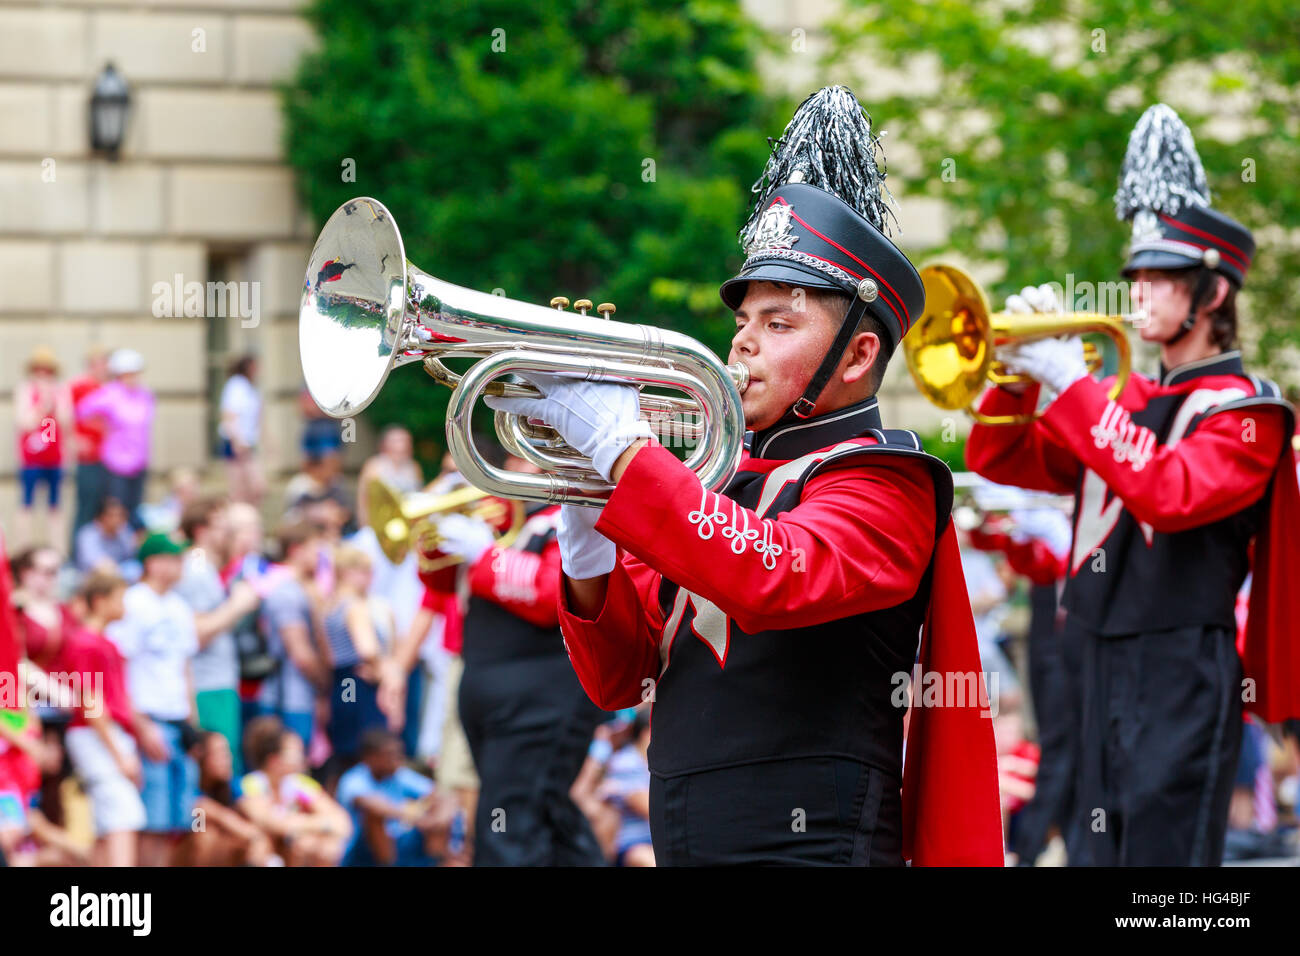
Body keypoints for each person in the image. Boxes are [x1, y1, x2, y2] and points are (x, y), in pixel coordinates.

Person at [490, 87, 1002, 865]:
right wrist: (587, 521)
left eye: (779, 323)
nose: (742, 349)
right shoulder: (716, 481)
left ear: (858, 356)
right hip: (686, 831)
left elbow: (773, 574)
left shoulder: (887, 480)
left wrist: (625, 452)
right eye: (742, 322)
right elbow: (617, 679)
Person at [964, 104, 1300, 866]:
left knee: (1165, 870)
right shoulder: (1119, 403)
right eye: (1136, 276)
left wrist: (1070, 384)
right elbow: (999, 459)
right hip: (1092, 654)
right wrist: (1023, 377)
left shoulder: (1251, 413)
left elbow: (1168, 491)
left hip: (1182, 661)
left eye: (1159, 278)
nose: (1137, 292)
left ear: (1213, 295)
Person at [104, 531, 200, 866]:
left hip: (178, 721)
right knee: (152, 820)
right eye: (173, 558)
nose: (180, 565)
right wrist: (141, 726)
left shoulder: (180, 606)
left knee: (181, 821)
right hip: (149, 720)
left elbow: (185, 668)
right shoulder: (133, 603)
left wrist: (194, 726)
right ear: (153, 562)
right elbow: (120, 670)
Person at [58, 567, 147, 866]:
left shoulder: (103, 642)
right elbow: (90, 699)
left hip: (104, 733)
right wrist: (118, 752)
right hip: (95, 733)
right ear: (99, 600)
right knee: (122, 814)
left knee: (108, 819)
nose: (124, 605)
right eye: (119, 597)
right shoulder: (85, 643)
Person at [174, 497, 261, 778]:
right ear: (202, 530)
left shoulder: (206, 569)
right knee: (214, 770)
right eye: (223, 527)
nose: (230, 535)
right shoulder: (195, 569)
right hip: (207, 685)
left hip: (218, 683)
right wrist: (237, 605)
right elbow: (195, 634)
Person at [254, 521, 329, 750]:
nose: (320, 558)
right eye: (316, 550)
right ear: (296, 550)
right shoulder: (287, 592)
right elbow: (301, 654)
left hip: (292, 695)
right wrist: (327, 685)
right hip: (289, 699)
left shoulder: (296, 588)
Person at [237, 715, 350, 866]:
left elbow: (342, 822)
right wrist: (317, 824)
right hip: (264, 852)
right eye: (295, 751)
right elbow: (269, 822)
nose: (303, 757)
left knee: (325, 846)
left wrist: (301, 826)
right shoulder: (252, 784)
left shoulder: (298, 784)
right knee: (267, 842)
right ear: (274, 760)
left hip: (292, 846)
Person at [336, 729, 458, 866]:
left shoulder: (399, 774)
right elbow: (373, 806)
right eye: (389, 755)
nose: (397, 759)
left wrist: (438, 819)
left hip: (402, 840)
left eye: (398, 753)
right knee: (373, 818)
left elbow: (442, 796)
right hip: (363, 849)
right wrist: (416, 816)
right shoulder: (354, 779)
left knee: (437, 809)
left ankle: (436, 862)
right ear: (370, 757)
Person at [323, 546, 395, 774]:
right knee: (367, 748)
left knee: (347, 749)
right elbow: (368, 649)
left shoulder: (329, 606)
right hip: (359, 684)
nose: (370, 578)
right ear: (346, 572)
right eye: (364, 571)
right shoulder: (355, 607)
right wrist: (381, 673)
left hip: (342, 683)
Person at [74, 348, 155, 531]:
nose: (132, 378)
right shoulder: (110, 393)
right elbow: (82, 411)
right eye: (127, 374)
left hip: (139, 463)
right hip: (116, 464)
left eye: (135, 374)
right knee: (116, 510)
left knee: (136, 509)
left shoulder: (145, 395)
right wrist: (100, 426)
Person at [183, 731, 274, 866]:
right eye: (219, 754)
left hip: (230, 841)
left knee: (259, 838)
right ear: (201, 756)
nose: (227, 759)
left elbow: (254, 811)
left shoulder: (233, 785)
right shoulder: (189, 785)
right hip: (183, 850)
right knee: (204, 834)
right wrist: (224, 818)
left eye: (227, 753)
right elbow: (199, 814)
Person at [13, 345, 73, 550]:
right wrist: (41, 406)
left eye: (47, 370)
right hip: (32, 458)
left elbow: (66, 421)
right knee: (27, 505)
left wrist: (53, 401)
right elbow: (24, 422)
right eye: (39, 369)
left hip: (54, 457)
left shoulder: (61, 391)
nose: (42, 374)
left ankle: (59, 549)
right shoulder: (26, 391)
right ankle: (24, 549)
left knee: (55, 507)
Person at [68, 346, 110, 547]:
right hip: (87, 457)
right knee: (85, 506)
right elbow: (62, 417)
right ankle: (77, 551)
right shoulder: (78, 387)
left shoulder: (108, 389)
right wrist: (72, 438)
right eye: (99, 363)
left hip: (108, 457)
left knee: (101, 508)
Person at [355, 425, 423, 529]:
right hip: (379, 525)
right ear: (385, 444)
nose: (404, 444)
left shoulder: (414, 467)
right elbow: (364, 502)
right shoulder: (374, 466)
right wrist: (366, 527)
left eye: (406, 440)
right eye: (398, 440)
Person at [219, 354, 265, 506]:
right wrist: (237, 441)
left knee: (252, 488)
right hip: (237, 442)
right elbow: (230, 415)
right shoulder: (236, 385)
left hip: (247, 442)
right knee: (240, 489)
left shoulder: (248, 387)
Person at [73, 496, 139, 578]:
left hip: (118, 576)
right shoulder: (87, 534)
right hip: (91, 578)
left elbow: (132, 556)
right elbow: (95, 564)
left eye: (120, 516)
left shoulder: (124, 532)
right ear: (100, 517)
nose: (116, 520)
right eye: (112, 516)